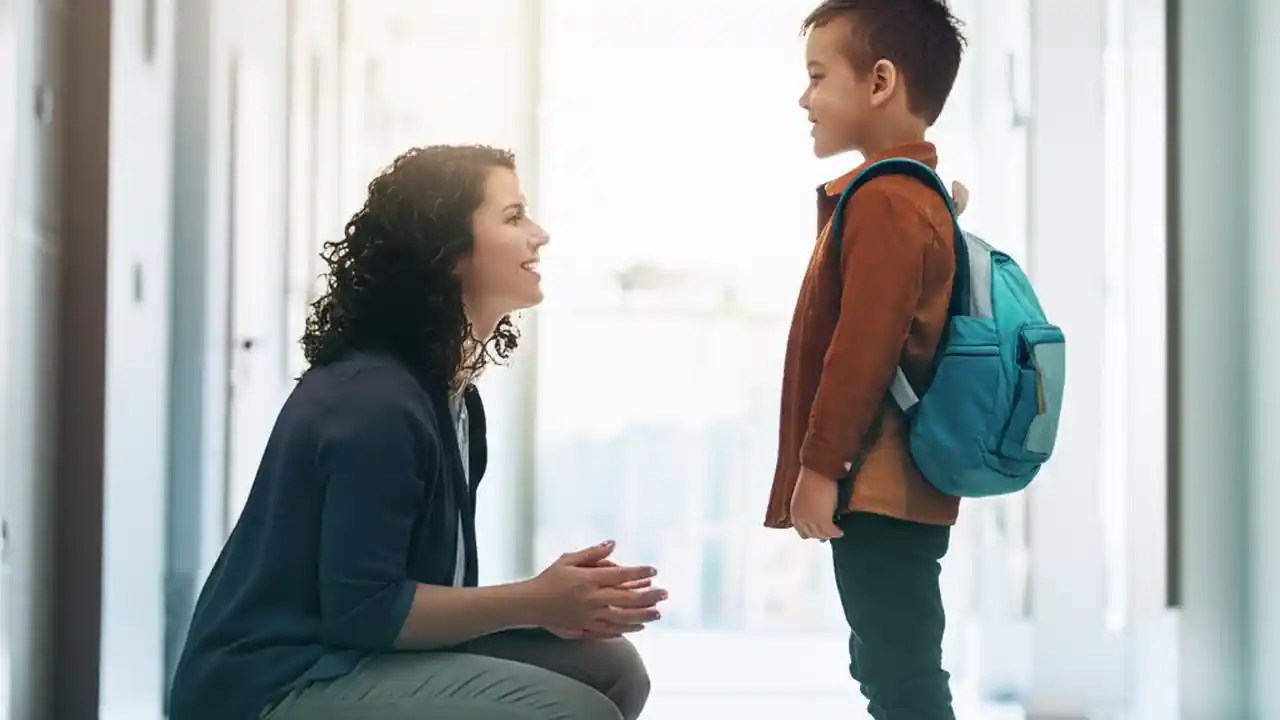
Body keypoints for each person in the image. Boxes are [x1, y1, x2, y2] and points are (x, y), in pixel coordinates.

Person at [169, 145, 664, 720]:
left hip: (348, 656)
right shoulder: (375, 402)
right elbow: (366, 610)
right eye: (512, 217)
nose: (539, 234)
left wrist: (549, 606)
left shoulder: (451, 398)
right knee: (573, 710)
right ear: (449, 253)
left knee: (612, 668)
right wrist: (535, 599)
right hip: (270, 685)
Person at [763, 1, 968, 718]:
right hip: (894, 483)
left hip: (878, 483)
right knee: (893, 659)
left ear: (879, 82)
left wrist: (820, 469)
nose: (804, 97)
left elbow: (863, 351)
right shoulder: (913, 196)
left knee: (899, 671)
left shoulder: (886, 201)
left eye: (818, 76)